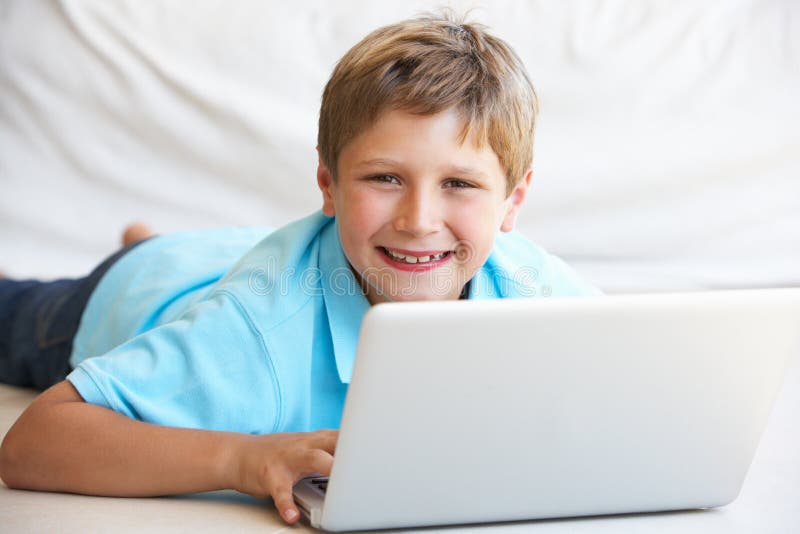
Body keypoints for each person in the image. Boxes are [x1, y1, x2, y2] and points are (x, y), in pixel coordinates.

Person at [0, 12, 600, 525]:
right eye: (385, 178)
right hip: (127, 292)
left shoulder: (532, 286)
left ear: (512, 203)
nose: (420, 220)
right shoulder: (255, 333)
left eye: (460, 184)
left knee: (231, 273)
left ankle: (158, 244)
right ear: (328, 184)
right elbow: (30, 445)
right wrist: (245, 459)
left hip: (243, 258)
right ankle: (143, 251)